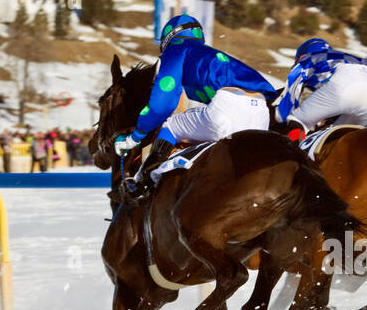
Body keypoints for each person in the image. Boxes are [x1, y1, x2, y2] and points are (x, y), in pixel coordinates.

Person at [112, 14, 274, 190]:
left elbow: (161, 105)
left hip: (228, 110)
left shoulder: (176, 50)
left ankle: (144, 183)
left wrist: (135, 137)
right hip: (261, 114)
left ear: (168, 37)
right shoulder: (209, 53)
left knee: (170, 125)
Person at [274, 38, 367, 143]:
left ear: (301, 56)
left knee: (298, 119)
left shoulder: (307, 59)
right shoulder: (346, 57)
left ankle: (293, 158)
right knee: (336, 138)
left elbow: (291, 89)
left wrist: (283, 117)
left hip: (346, 84)